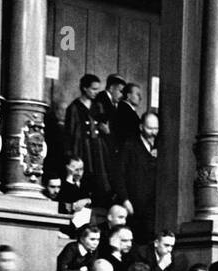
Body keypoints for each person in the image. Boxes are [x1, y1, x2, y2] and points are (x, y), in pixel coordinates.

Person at [111, 110, 159, 244]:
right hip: (134, 205)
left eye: (156, 129)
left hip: (153, 207)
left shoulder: (160, 146)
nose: (153, 133)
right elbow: (118, 175)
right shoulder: (129, 146)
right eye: (150, 128)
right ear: (141, 127)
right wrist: (125, 199)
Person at [65, 74, 111, 205]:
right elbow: (70, 132)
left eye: (98, 89)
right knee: (83, 175)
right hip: (82, 147)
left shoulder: (98, 106)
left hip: (97, 147)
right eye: (93, 89)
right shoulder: (74, 107)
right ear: (85, 88)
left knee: (100, 176)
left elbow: (104, 126)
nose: (96, 92)